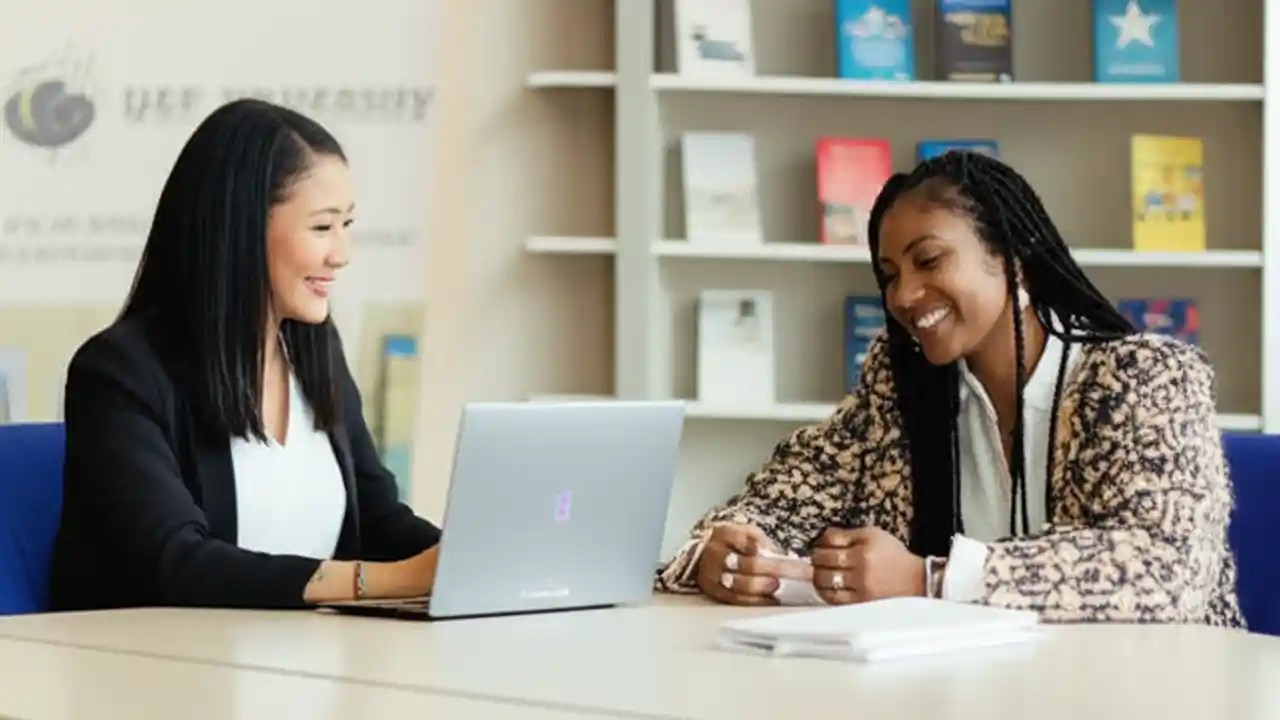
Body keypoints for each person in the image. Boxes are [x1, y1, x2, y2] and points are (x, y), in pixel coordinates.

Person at [657, 151, 1244, 627]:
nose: (903, 295)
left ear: (1014, 263)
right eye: (890, 275)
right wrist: (725, 552)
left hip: (1151, 691)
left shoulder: (1143, 379)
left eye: (929, 261)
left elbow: (1167, 569)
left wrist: (929, 578)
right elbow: (779, 499)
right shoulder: (902, 388)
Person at [49, 99, 441, 611]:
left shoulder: (314, 347)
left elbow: (380, 521)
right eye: (322, 228)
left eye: (347, 225)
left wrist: (465, 561)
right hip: (164, 675)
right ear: (242, 229)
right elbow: (178, 564)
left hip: (315, 671)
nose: (341, 253)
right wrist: (387, 581)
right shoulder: (119, 373)